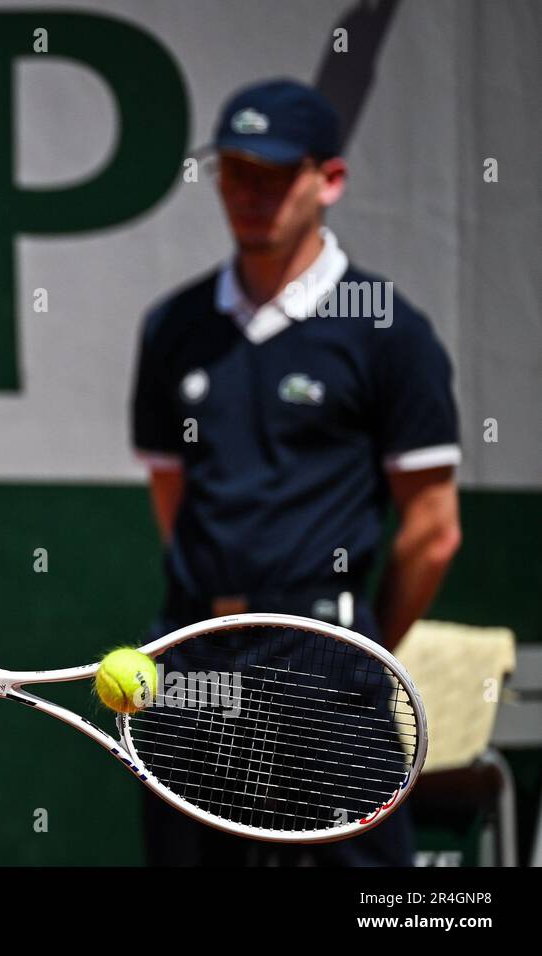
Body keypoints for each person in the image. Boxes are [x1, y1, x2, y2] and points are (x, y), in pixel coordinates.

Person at [130, 78, 462, 865]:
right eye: (237, 171)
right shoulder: (175, 326)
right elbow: (172, 496)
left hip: (331, 660)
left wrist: (354, 633)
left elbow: (433, 530)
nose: (251, 194)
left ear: (330, 180)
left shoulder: (388, 331)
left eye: (275, 173)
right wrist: (222, 603)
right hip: (195, 656)